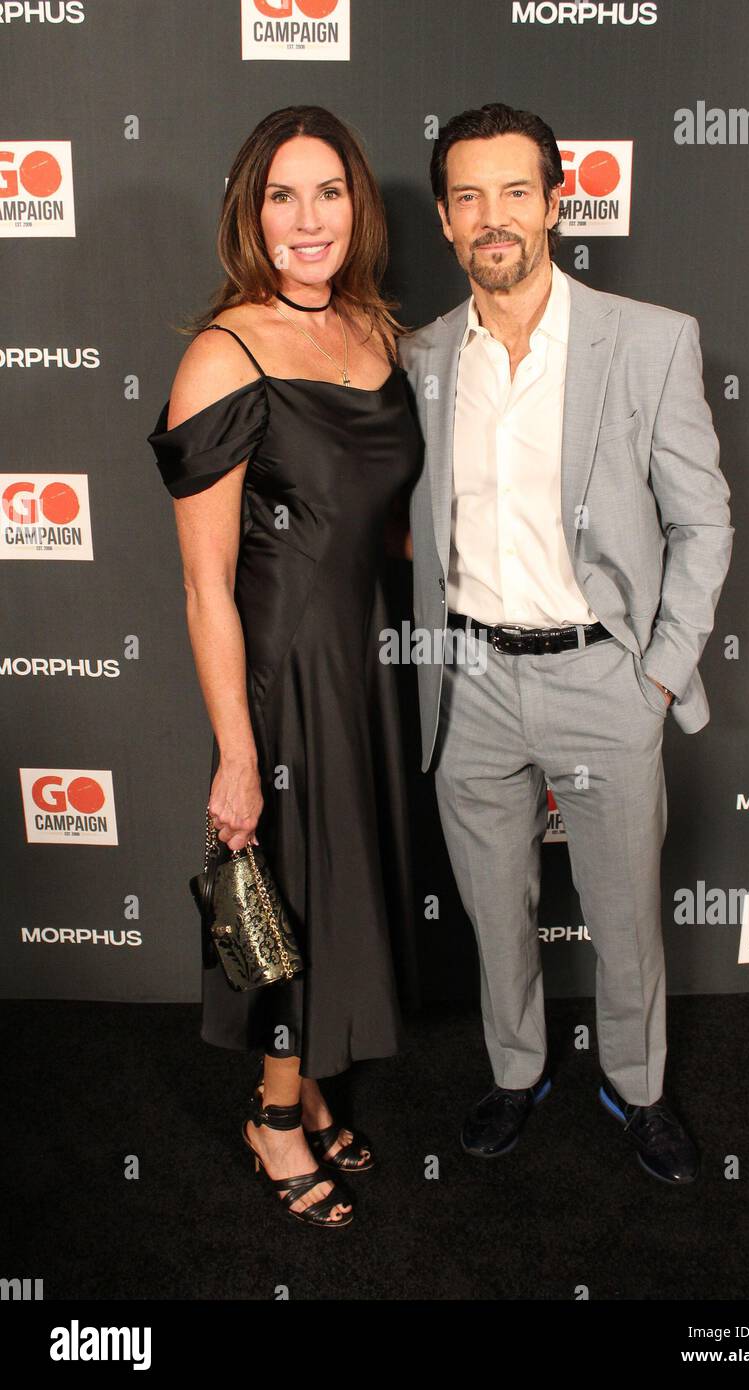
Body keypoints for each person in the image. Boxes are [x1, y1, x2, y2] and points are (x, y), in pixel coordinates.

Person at [398, 103, 734, 1183]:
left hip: (604, 675)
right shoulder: (420, 357)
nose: (490, 218)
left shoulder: (646, 339)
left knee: (626, 914)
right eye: (465, 197)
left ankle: (636, 1092)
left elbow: (703, 520)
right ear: (446, 223)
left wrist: (658, 672)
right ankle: (514, 1071)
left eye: (511, 192)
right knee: (496, 907)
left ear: (553, 202)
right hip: (471, 682)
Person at [147, 106, 423, 1227]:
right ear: (248, 212)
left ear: (356, 206)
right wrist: (238, 751)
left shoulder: (372, 329)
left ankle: (307, 1081)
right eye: (280, 196)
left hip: (367, 655)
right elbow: (205, 582)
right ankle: (270, 1112)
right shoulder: (224, 350)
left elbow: (381, 519)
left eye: (328, 193)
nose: (306, 220)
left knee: (341, 881)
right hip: (281, 668)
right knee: (286, 887)